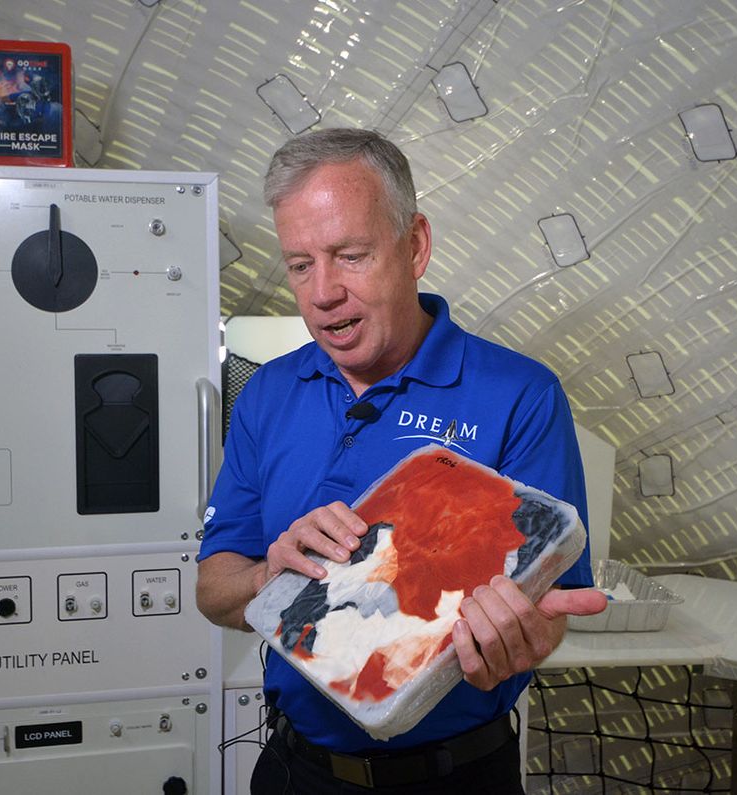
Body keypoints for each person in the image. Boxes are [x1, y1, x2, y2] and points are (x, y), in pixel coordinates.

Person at [196, 127, 606, 794]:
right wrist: (271, 572)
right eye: (300, 264)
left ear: (414, 245)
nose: (322, 291)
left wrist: (522, 638)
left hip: (456, 775)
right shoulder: (268, 392)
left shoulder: (521, 395)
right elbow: (213, 587)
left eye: (349, 255)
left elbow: (550, 606)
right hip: (295, 771)